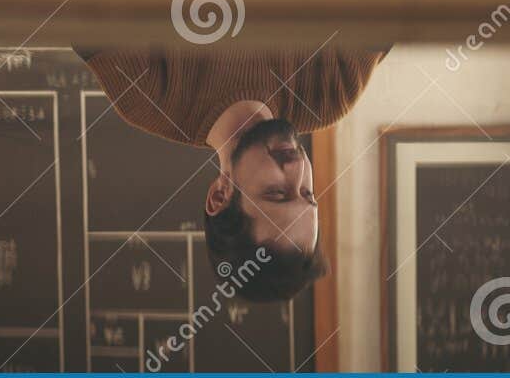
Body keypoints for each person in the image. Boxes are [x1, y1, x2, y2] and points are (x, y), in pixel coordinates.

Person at [80, 44, 387, 302]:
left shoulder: (145, 93)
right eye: (307, 193)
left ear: (220, 195)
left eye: (276, 192)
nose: (295, 167)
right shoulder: (331, 91)